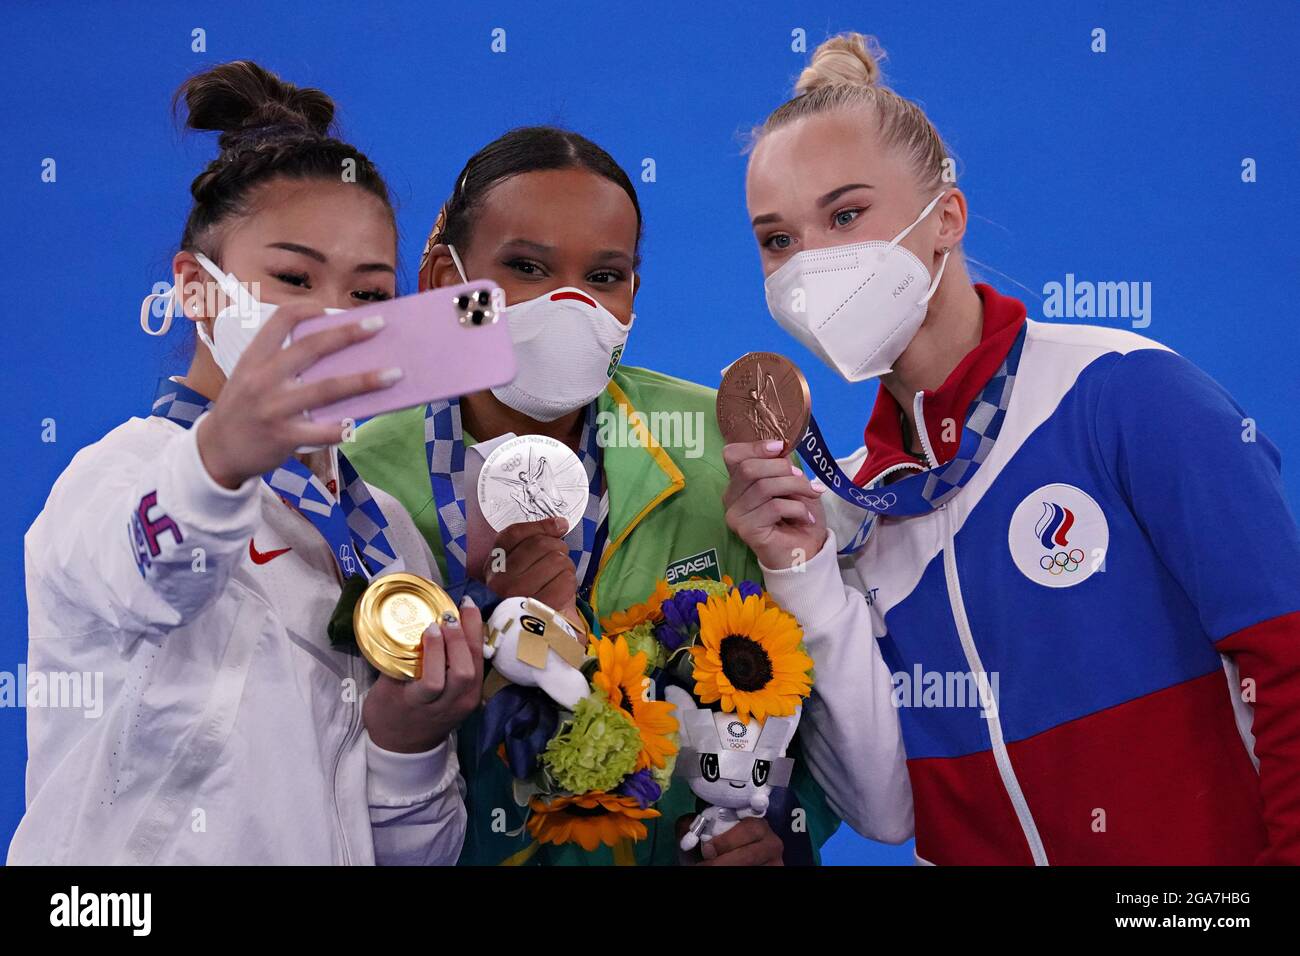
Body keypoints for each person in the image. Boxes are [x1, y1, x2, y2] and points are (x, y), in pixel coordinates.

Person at [724, 32, 1300, 864]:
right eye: (778, 241)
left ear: (944, 218)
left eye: (846, 215)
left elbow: (1285, 656)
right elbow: (890, 811)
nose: (810, 264)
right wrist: (803, 576)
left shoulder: (1122, 392)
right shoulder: (850, 503)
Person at [346, 126, 862, 865]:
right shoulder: (359, 487)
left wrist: (781, 828)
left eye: (604, 276)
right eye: (526, 267)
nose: (570, 305)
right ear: (441, 282)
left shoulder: (721, 449)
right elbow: (329, 778)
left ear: (631, 297)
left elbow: (810, 726)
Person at [8, 61, 479, 865]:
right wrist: (225, 453)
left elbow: (409, 855)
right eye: (294, 277)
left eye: (368, 295)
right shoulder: (114, 475)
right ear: (194, 287)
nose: (332, 317)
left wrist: (410, 747)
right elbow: (151, 574)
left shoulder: (389, 537)